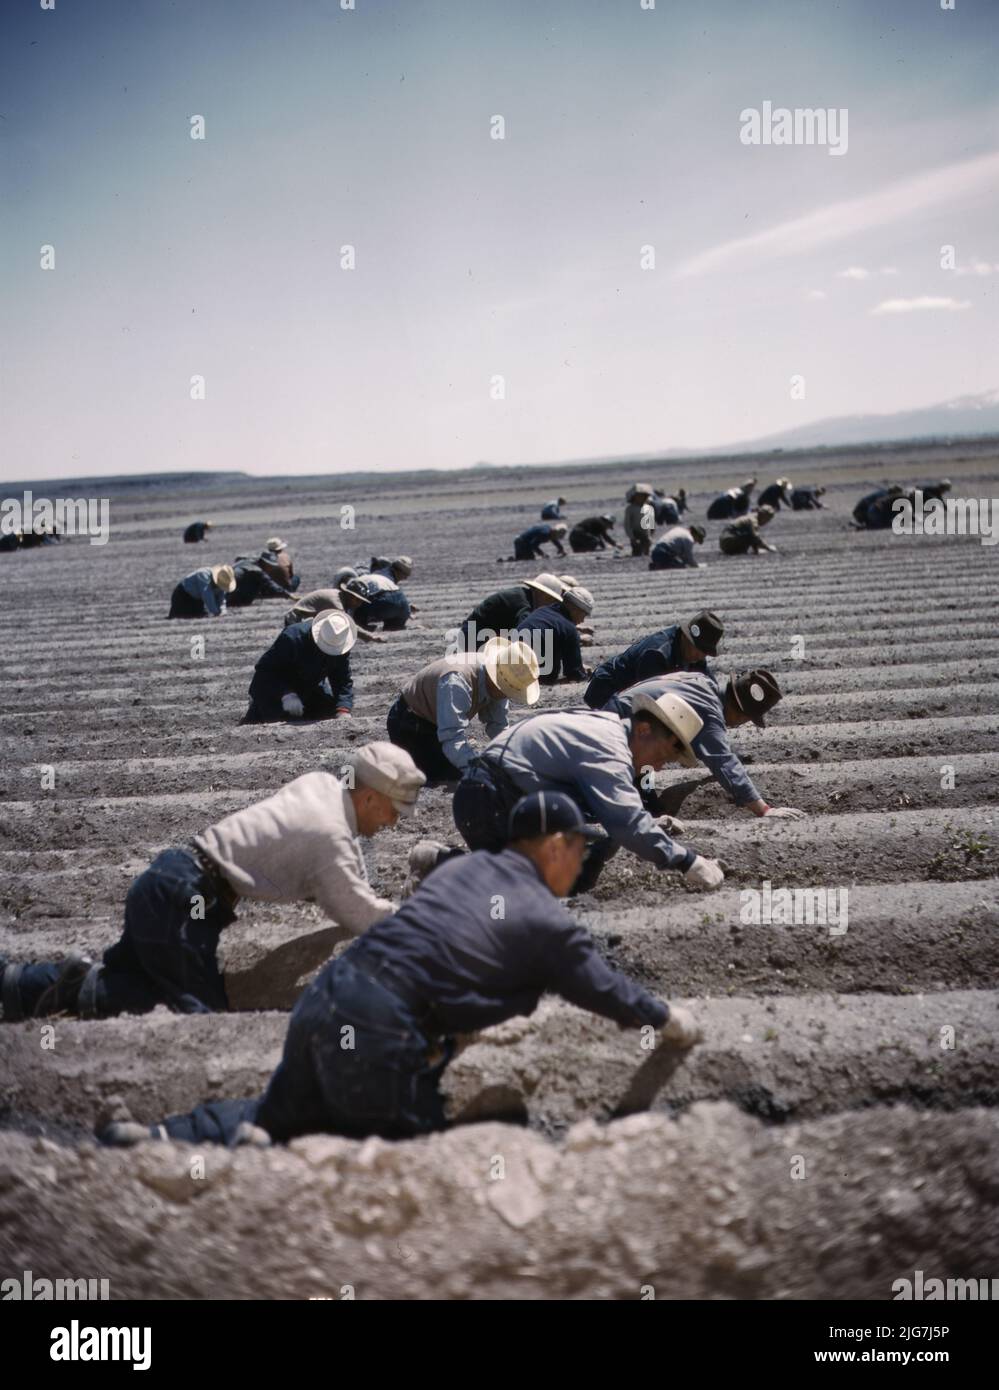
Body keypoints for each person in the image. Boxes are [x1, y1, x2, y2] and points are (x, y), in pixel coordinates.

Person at [98, 792, 702, 1149]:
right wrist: (667, 1018)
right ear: (555, 847)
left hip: (330, 999)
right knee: (405, 1154)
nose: (584, 857)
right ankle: (261, 1188)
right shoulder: (547, 918)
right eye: (580, 846)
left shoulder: (464, 872)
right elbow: (601, 988)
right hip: (380, 1025)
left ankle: (158, 1141)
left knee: (276, 1116)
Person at [0, 745, 425, 1022]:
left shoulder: (321, 786)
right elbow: (355, 910)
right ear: (369, 798)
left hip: (168, 879)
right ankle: (68, 984)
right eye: (391, 812)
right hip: (185, 901)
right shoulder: (329, 837)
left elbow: (340, 860)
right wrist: (414, 923)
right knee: (202, 1017)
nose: (391, 824)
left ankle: (20, 983)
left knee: (139, 986)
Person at [452, 694, 725, 894]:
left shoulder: (606, 726)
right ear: (643, 730)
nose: (657, 767)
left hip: (495, 796)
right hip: (488, 801)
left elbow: (611, 812)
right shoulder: (610, 748)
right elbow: (626, 823)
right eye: (662, 756)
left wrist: (649, 825)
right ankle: (442, 867)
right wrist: (687, 861)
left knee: (591, 847)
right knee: (519, 896)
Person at [603, 670, 805, 820]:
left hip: (619, 713)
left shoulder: (704, 682)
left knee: (647, 782)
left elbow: (719, 748)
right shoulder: (709, 712)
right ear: (739, 713)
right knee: (623, 792)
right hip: (620, 728)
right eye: (746, 719)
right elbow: (723, 762)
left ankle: (646, 804)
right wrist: (764, 809)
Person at [387, 639, 541, 783]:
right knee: (444, 775)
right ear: (497, 682)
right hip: (410, 723)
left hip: (437, 722)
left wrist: (514, 755)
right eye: (507, 691)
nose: (508, 696)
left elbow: (497, 725)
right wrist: (478, 768)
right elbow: (452, 737)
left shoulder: (501, 675)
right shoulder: (457, 682)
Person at [583, 610, 722, 709]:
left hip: (632, 693)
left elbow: (708, 684)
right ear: (686, 638)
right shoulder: (657, 654)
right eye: (699, 650)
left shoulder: (694, 653)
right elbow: (651, 699)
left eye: (705, 652)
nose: (701, 657)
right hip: (607, 692)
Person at [242, 610, 356, 724]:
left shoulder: (340, 645)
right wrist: (286, 693)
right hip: (278, 689)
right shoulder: (292, 638)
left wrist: (343, 709)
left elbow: (342, 680)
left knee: (328, 712)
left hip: (309, 687)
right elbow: (264, 672)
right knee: (275, 719)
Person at [456, 573, 563, 651]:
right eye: (551, 600)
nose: (551, 605)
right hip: (473, 638)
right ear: (543, 594)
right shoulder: (524, 605)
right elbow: (524, 634)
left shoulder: (524, 596)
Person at [514, 586, 593, 685]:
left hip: (508, 658)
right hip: (525, 674)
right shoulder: (569, 629)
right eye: (584, 615)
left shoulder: (543, 610)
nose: (583, 620)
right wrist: (584, 674)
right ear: (575, 609)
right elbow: (575, 674)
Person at [282, 578, 384, 642]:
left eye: (361, 601)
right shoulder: (336, 602)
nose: (359, 604)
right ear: (348, 594)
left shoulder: (339, 596)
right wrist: (370, 636)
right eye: (357, 599)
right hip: (296, 620)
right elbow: (347, 624)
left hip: (305, 621)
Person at [352, 557, 413, 630]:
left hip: (382, 602)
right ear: (399, 571)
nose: (405, 578)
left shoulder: (378, 574)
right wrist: (407, 606)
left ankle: (363, 626)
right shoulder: (387, 577)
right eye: (405, 575)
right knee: (393, 626)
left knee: (357, 608)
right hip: (402, 604)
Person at [168, 564, 237, 618]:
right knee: (178, 616)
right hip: (183, 596)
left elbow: (221, 598)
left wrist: (223, 611)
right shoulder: (203, 574)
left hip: (197, 599)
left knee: (198, 616)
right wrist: (216, 613)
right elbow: (207, 595)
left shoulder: (222, 582)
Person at [228, 555, 297, 607]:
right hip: (233, 596)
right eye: (270, 565)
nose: (271, 568)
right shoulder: (257, 571)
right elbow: (272, 586)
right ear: (264, 562)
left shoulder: (245, 562)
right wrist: (290, 596)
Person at [623, 484, 656, 557]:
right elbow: (627, 524)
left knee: (646, 552)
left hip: (645, 534)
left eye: (642, 496)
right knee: (637, 552)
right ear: (634, 497)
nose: (640, 498)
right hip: (635, 533)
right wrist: (631, 537)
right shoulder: (630, 509)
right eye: (638, 496)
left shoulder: (648, 508)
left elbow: (651, 524)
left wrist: (650, 536)